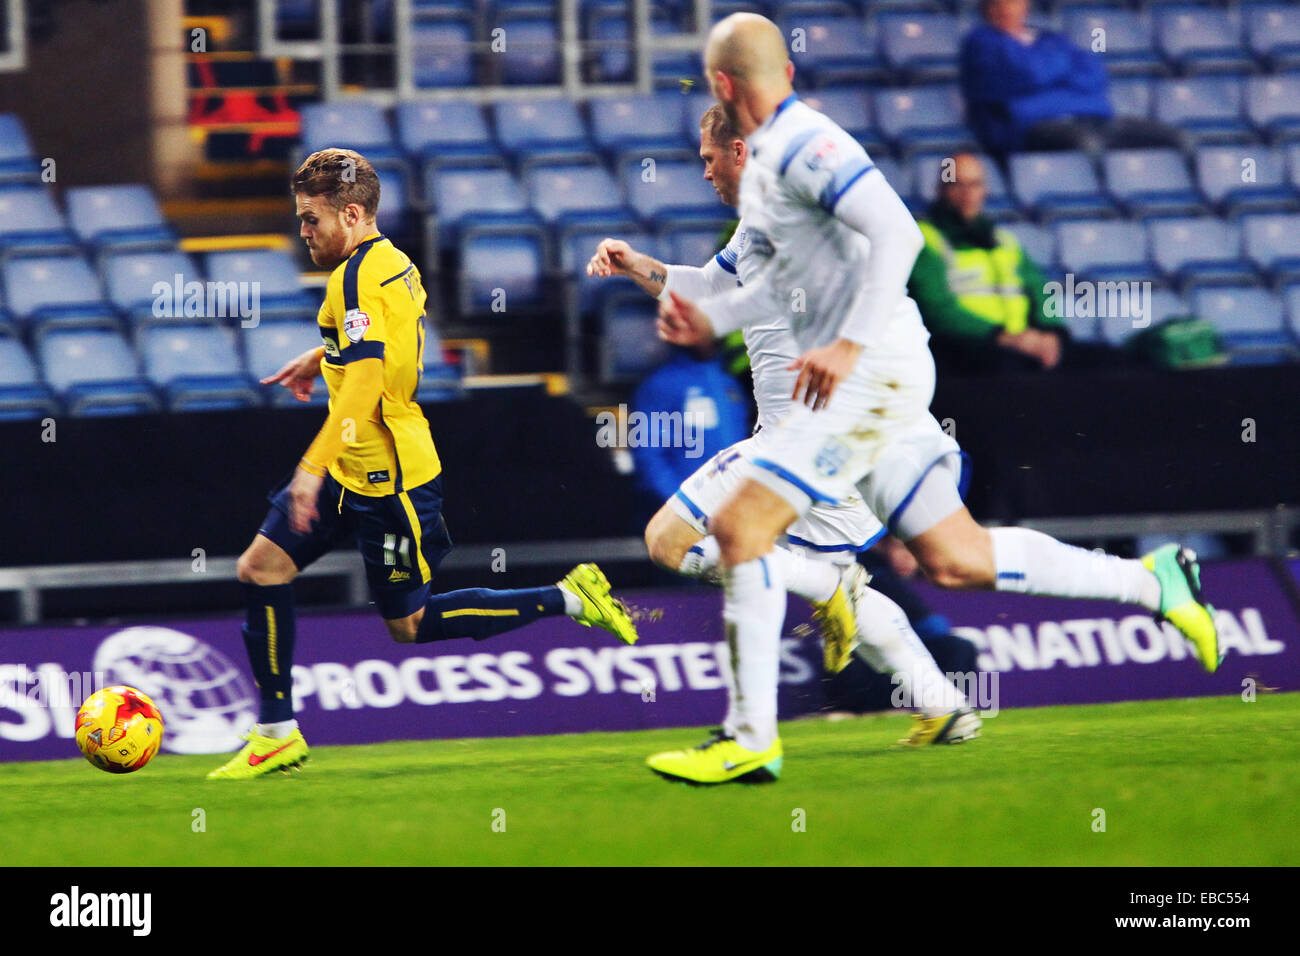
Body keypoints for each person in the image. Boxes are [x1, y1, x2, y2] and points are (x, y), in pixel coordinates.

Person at [654, 13, 1220, 785]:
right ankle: (1155, 581)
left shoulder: (808, 144)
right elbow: (741, 289)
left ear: (724, 84)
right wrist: (662, 283)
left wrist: (848, 343)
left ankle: (750, 737)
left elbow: (903, 236)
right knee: (956, 560)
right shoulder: (770, 184)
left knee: (739, 528)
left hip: (864, 379)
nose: (703, 170)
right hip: (878, 384)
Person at [209, 148, 639, 780]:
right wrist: (321, 354)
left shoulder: (353, 276)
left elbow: (363, 385)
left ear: (351, 214)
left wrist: (310, 466)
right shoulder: (393, 264)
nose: (303, 232)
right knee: (262, 567)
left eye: (311, 220)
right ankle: (276, 733)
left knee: (409, 626)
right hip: (351, 467)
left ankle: (571, 597)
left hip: (389, 478)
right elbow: (381, 341)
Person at [588, 106, 976, 760]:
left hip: (803, 436)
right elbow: (707, 287)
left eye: (710, 158)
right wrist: (638, 267)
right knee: (819, 569)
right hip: (823, 437)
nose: (704, 171)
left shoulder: (805, 218)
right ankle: (942, 705)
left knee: (670, 541)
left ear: (741, 151)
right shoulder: (759, 228)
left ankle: (763, 714)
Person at [910, 152, 1123, 375]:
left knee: (1110, 361)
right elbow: (937, 310)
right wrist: (1001, 336)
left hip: (1022, 341)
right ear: (941, 190)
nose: (967, 194)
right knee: (1011, 369)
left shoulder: (1004, 240)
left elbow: (1038, 290)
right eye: (957, 185)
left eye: (975, 185)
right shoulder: (926, 239)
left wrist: (1050, 333)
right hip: (969, 346)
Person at [961, 0, 1182, 157]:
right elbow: (1029, 73)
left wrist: (1044, 81)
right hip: (1027, 131)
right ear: (985, 9)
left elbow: (1094, 75)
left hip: (1092, 120)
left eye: (1010, 1)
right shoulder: (980, 43)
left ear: (1025, 4)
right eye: (995, 3)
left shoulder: (1050, 38)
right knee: (1087, 145)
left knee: (1175, 138)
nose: (1002, 8)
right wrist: (1064, 71)